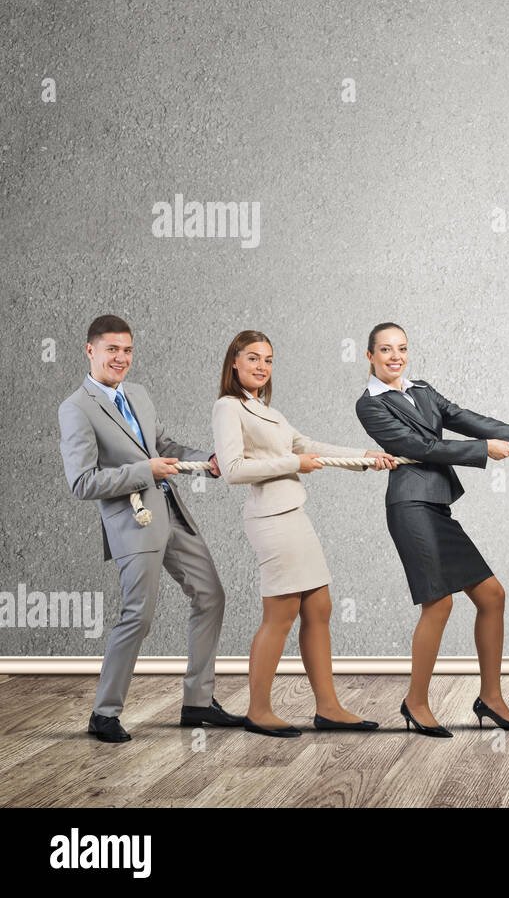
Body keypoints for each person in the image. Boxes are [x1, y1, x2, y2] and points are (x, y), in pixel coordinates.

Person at [355, 322, 509, 737]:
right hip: (410, 506)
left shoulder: (423, 390)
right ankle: (415, 702)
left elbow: (466, 419)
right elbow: (420, 448)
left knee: (492, 595)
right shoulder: (369, 405)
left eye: (401, 348)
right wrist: (482, 452)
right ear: (370, 356)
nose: (395, 356)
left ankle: (490, 698)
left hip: (436, 506)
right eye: (385, 350)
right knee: (439, 605)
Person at [58, 314, 242, 743]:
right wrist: (145, 471)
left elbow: (163, 447)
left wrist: (207, 459)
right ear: (90, 351)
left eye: (127, 350)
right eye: (112, 350)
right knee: (139, 615)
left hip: (171, 511)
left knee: (211, 594)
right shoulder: (76, 408)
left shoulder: (137, 393)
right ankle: (104, 714)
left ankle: (198, 702)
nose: (121, 358)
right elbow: (82, 482)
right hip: (134, 521)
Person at [212, 329, 397, 736]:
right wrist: (293, 463)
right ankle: (258, 710)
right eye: (254, 358)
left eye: (269, 359)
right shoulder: (228, 408)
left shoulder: (268, 410)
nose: (262, 366)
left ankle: (328, 707)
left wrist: (364, 457)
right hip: (271, 518)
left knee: (319, 607)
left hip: (294, 514)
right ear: (234, 363)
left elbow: (307, 444)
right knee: (281, 613)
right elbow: (233, 470)